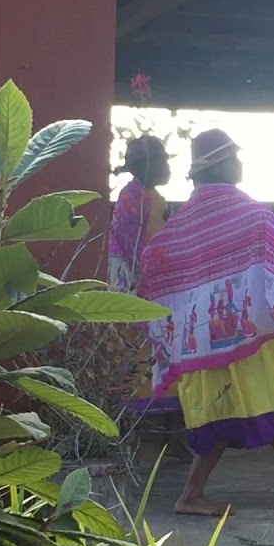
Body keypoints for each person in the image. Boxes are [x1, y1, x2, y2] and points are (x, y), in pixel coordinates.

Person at [141, 129, 274, 514]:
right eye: (234, 157)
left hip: (203, 340)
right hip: (249, 334)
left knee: (233, 411)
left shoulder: (180, 225)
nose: (240, 163)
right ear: (220, 163)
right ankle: (196, 495)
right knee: (264, 403)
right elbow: (270, 272)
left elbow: (156, 260)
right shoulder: (253, 214)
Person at [107, 136, 189, 459]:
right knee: (158, 362)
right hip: (146, 295)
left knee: (138, 365)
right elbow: (151, 249)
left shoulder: (138, 197)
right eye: (164, 161)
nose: (169, 167)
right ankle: (170, 438)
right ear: (148, 165)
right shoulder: (143, 201)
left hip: (135, 293)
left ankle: (142, 438)